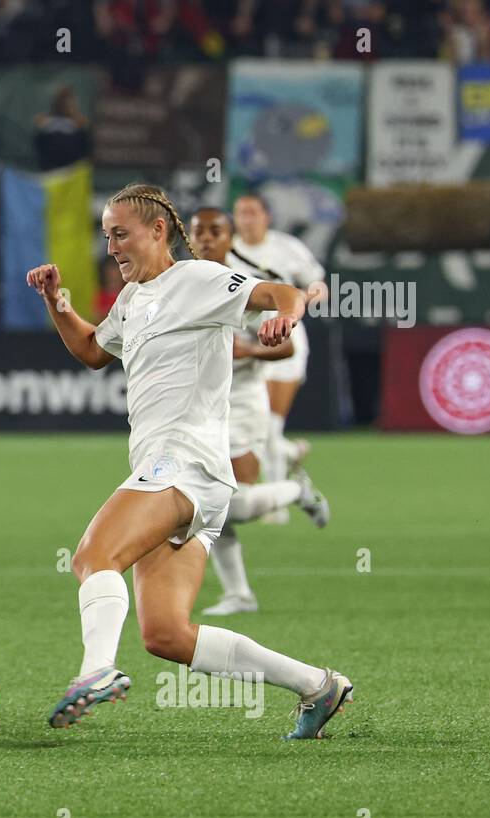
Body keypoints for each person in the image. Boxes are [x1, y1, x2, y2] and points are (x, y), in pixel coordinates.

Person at [26, 183, 353, 740]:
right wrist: (58, 303)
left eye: (121, 234)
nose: (113, 248)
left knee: (93, 556)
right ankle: (318, 685)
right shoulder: (131, 300)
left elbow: (283, 294)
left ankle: (95, 670)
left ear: (159, 231)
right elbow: (91, 351)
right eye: (107, 237)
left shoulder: (197, 280)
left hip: (184, 462)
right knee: (167, 635)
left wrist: (286, 317)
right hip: (192, 478)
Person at [189, 207, 330, 616]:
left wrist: (248, 349)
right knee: (207, 505)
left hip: (242, 403)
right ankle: (239, 594)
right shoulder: (184, 279)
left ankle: (295, 490)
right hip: (203, 409)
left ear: (230, 238)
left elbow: (285, 345)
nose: (207, 239)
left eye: (216, 231)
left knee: (228, 502)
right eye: (199, 232)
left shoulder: (245, 286)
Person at [231, 194, 322, 521]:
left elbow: (318, 284)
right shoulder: (226, 252)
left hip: (284, 339)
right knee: (257, 425)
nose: (247, 218)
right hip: (243, 345)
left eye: (253, 212)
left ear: (267, 217)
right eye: (241, 212)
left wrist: (297, 309)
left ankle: (278, 504)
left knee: (269, 424)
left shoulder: (287, 247)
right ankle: (290, 452)